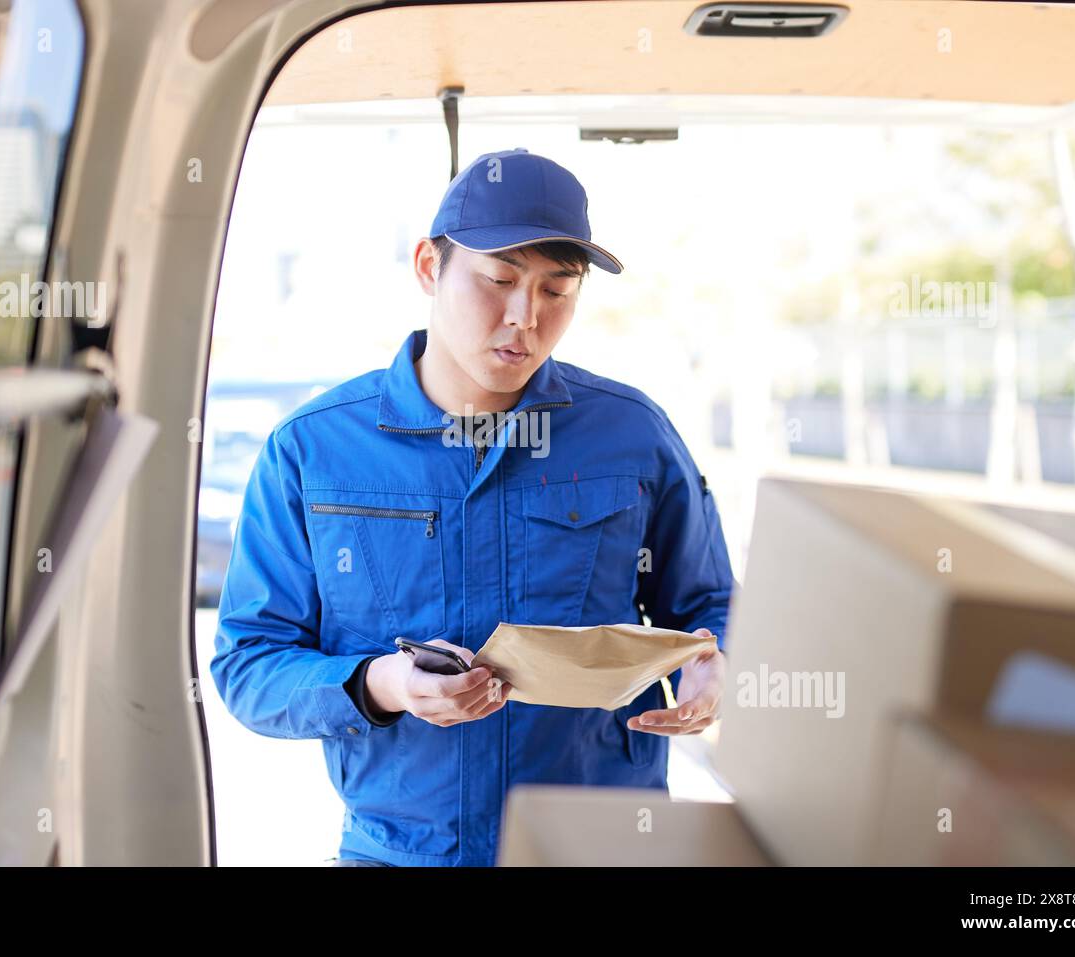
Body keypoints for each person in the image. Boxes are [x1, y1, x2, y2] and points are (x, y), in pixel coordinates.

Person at [211, 147, 736, 867]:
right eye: (500, 279)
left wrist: (719, 663)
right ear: (430, 266)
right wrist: (383, 683)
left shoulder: (631, 434)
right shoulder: (313, 449)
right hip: (400, 854)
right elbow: (250, 665)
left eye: (559, 290)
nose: (526, 317)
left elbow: (711, 603)